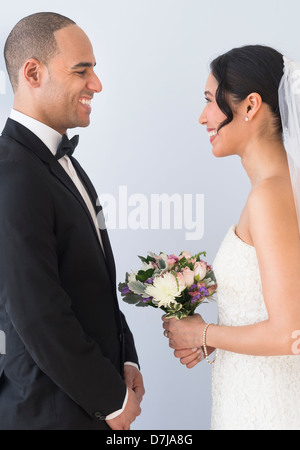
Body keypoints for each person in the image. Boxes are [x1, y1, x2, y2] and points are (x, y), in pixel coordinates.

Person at [0, 12, 144, 430]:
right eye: (82, 71)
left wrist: (125, 355)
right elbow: (37, 311)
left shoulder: (67, 167)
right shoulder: (11, 172)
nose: (96, 84)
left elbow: (90, 281)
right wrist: (111, 399)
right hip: (48, 412)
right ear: (33, 73)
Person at [162, 45, 300, 430]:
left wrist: (203, 332)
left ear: (250, 105)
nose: (202, 117)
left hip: (269, 409)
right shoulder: (275, 190)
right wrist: (212, 340)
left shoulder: (270, 196)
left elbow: (290, 332)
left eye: (210, 101)